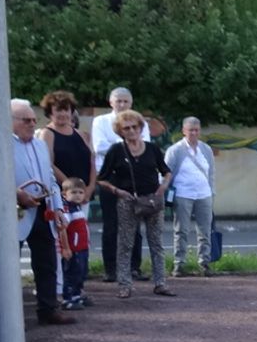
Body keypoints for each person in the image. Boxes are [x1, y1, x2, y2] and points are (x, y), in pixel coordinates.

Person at [96, 109, 175, 300]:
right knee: (125, 243)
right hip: (128, 202)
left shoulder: (152, 148)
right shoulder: (116, 151)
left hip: (153, 200)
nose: (131, 131)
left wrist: (163, 187)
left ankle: (160, 283)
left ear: (141, 127)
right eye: (126, 128)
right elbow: (102, 179)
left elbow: (166, 171)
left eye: (134, 127)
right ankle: (124, 285)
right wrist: (118, 191)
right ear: (120, 131)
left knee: (156, 243)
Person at [10, 99, 75, 325]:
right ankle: (8, 316)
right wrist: (17, 194)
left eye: (33, 120)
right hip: (13, 212)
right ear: (10, 121)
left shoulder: (39, 144)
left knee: (46, 262)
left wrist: (57, 207)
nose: (31, 123)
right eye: (26, 120)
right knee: (8, 264)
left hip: (43, 210)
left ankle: (48, 309)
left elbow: (49, 178)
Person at [92, 87, 150, 283]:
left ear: (131, 103)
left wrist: (117, 143)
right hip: (110, 177)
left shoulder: (140, 120)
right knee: (111, 225)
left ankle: (134, 267)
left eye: (125, 101)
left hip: (134, 178)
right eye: (119, 101)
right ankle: (111, 269)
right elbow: (100, 147)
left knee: (134, 225)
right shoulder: (100, 121)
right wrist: (128, 142)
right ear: (111, 102)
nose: (122, 105)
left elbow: (145, 146)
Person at [165, 117, 216, 277]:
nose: (194, 133)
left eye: (196, 130)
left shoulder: (206, 149)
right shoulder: (175, 150)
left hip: (203, 193)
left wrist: (212, 192)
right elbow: (166, 172)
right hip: (183, 193)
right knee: (181, 230)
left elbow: (211, 173)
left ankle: (204, 262)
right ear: (184, 131)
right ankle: (179, 264)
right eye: (190, 130)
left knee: (205, 230)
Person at [60, 177, 90, 310]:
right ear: (65, 194)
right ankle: (68, 298)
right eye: (74, 192)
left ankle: (77, 295)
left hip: (82, 247)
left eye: (80, 192)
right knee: (72, 273)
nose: (78, 195)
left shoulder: (78, 208)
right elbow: (62, 229)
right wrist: (66, 248)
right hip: (74, 248)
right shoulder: (67, 210)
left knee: (81, 272)